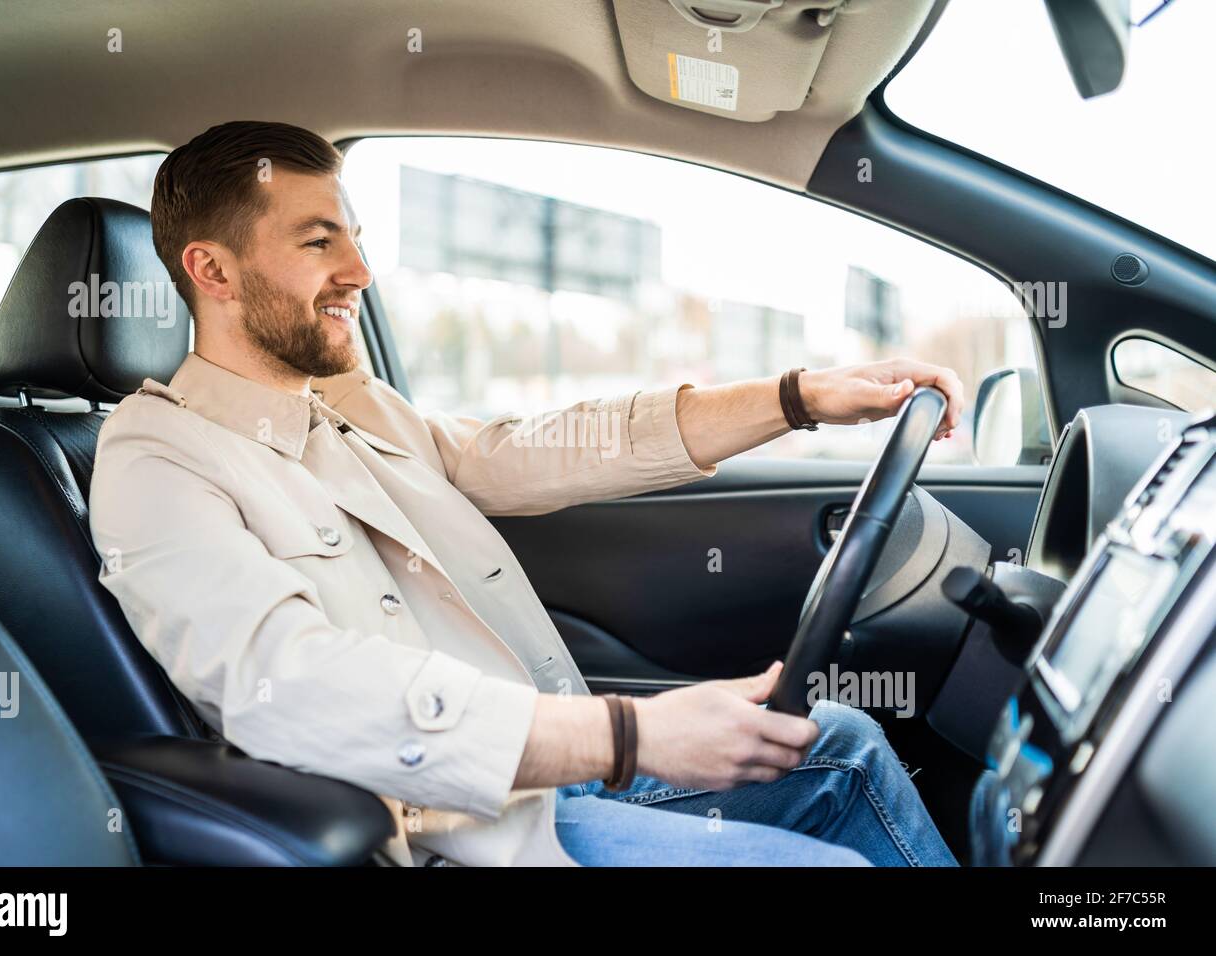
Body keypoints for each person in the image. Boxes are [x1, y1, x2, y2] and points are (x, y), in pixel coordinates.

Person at [89, 120, 964, 867]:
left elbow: (542, 449)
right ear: (213, 271)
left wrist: (798, 398)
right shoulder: (155, 459)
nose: (359, 268)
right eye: (319, 241)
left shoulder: (348, 405)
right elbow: (287, 682)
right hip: (453, 828)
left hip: (552, 769)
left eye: (354, 236)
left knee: (842, 742)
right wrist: (632, 735)